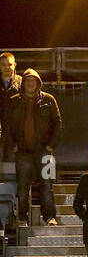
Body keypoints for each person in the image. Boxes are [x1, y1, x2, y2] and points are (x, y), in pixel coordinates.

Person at [5, 68, 61, 226]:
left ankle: (50, 217)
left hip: (45, 153)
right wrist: (13, 145)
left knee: (47, 185)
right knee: (22, 187)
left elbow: (58, 124)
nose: (30, 84)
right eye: (27, 81)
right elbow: (7, 126)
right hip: (23, 153)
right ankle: (22, 218)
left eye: (33, 81)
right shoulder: (14, 100)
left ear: (38, 83)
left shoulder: (49, 100)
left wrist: (51, 146)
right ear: (23, 83)